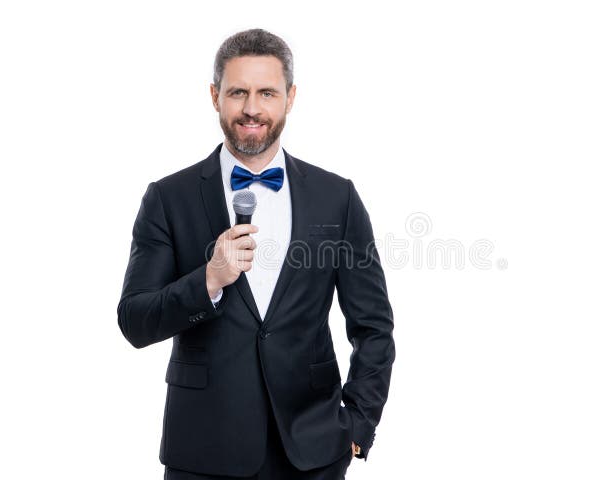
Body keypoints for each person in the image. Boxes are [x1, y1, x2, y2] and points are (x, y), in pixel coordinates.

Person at [117, 28, 396, 479]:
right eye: (237, 92)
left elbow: (373, 325)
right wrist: (207, 280)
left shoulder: (336, 198)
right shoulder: (169, 198)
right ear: (214, 96)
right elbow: (134, 320)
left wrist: (359, 424)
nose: (251, 108)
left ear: (290, 97)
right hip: (203, 451)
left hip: (313, 453)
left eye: (267, 92)